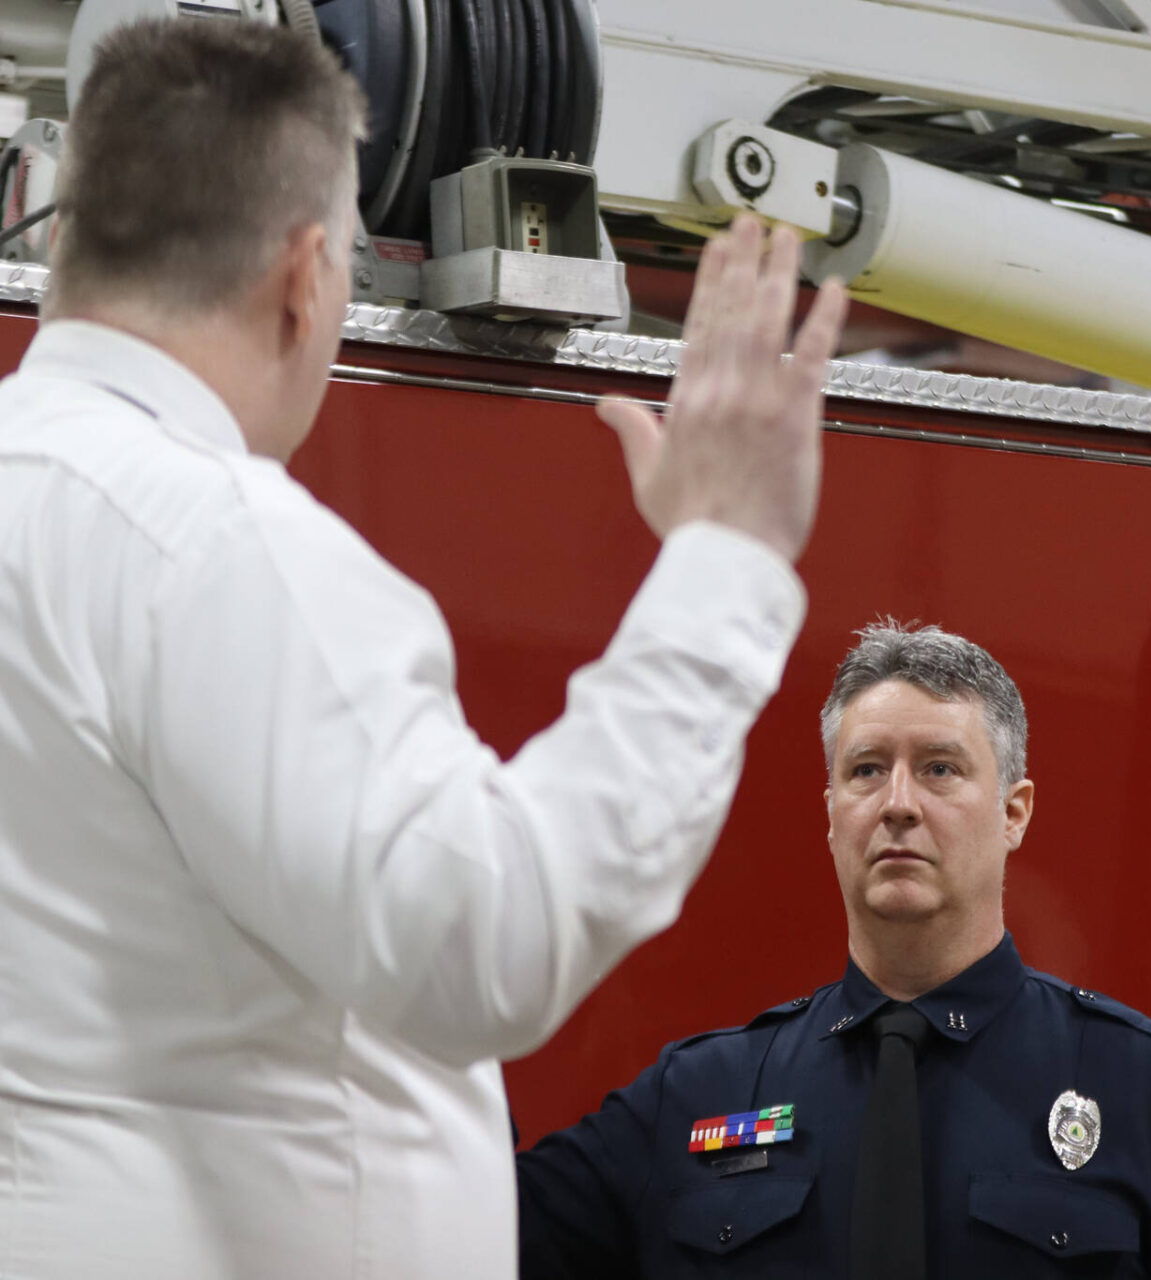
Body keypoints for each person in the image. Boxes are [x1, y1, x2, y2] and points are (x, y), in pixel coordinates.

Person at [0, 20, 846, 1280]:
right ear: (305, 274)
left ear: (66, 238)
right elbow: (485, 941)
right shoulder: (213, 543)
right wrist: (726, 560)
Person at [516, 622, 1151, 1278]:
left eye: (939, 769)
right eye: (866, 771)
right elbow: (484, 1230)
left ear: (1015, 812)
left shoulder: (1149, 1091)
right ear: (831, 814)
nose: (897, 804)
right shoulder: (696, 1097)